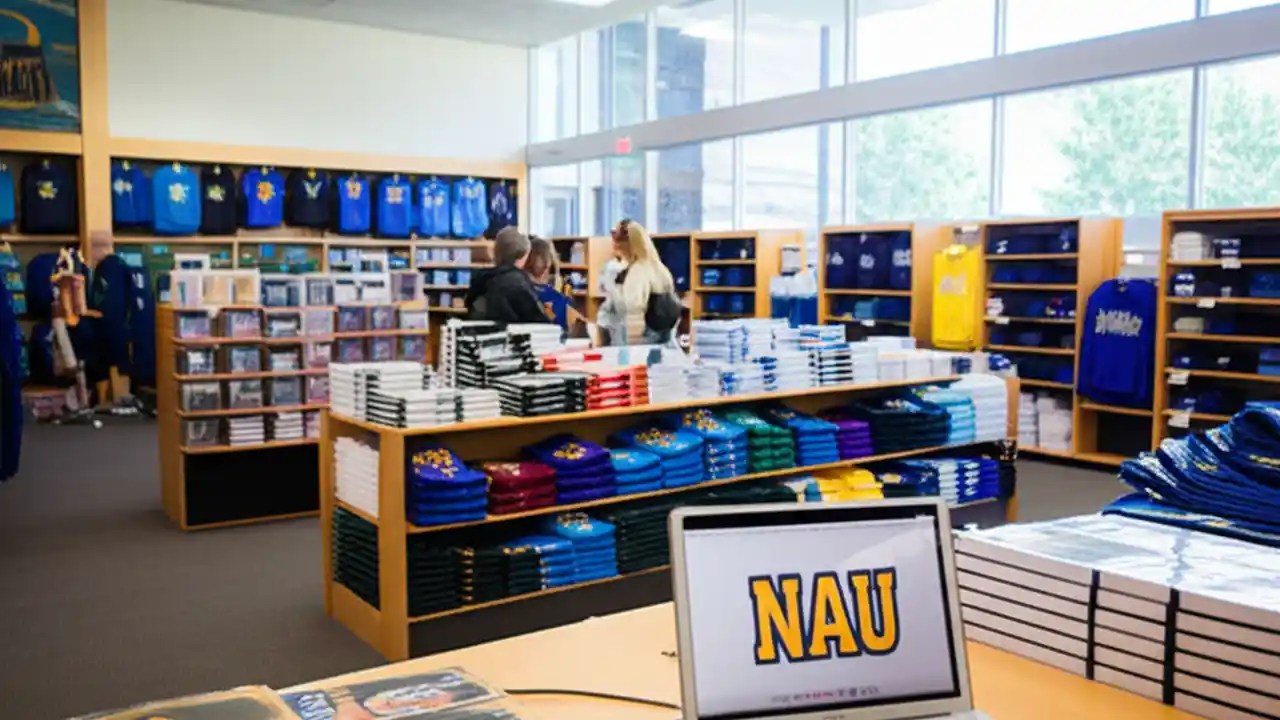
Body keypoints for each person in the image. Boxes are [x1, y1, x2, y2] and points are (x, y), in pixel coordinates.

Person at [601, 219, 681, 345]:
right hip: (664, 337)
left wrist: (611, 287)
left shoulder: (638, 271)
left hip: (642, 339)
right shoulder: (659, 267)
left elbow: (632, 309)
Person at [465, 226, 551, 326]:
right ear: (524, 255)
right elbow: (542, 326)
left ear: (496, 253)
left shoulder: (480, 283)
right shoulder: (519, 286)